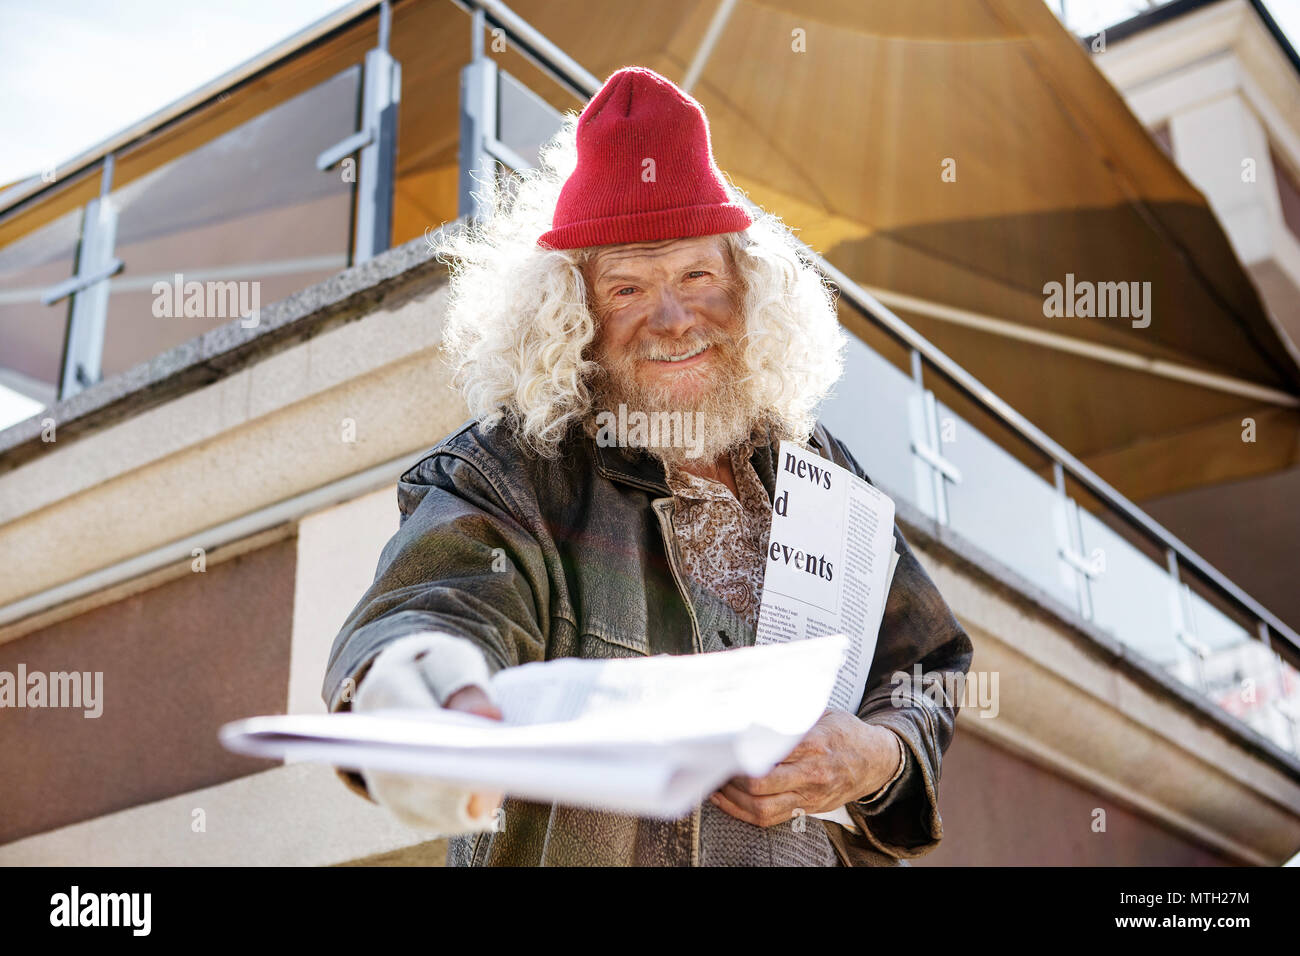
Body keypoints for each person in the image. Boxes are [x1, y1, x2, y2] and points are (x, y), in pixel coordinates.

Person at [321, 66, 972, 867]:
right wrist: (420, 688)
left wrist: (879, 758)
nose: (673, 321)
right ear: (574, 317)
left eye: (697, 275)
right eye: (627, 287)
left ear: (746, 283)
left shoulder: (825, 473)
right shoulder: (512, 472)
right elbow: (434, 606)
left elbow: (929, 659)